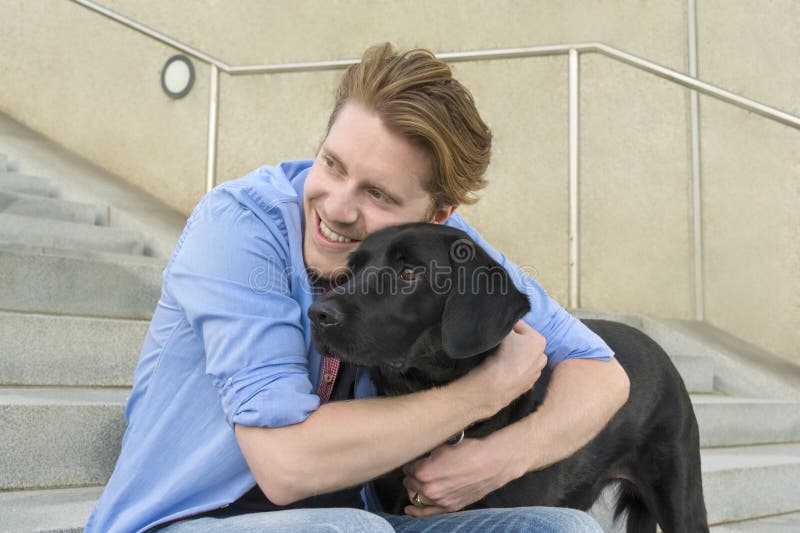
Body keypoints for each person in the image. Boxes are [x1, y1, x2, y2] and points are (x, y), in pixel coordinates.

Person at [85, 43, 629, 533]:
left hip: (362, 519)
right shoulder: (239, 228)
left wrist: (501, 458)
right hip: (189, 520)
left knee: (563, 529)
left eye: (378, 194)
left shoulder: (442, 248)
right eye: (332, 164)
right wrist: (485, 392)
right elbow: (287, 466)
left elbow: (603, 374)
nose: (337, 207)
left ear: (437, 215)